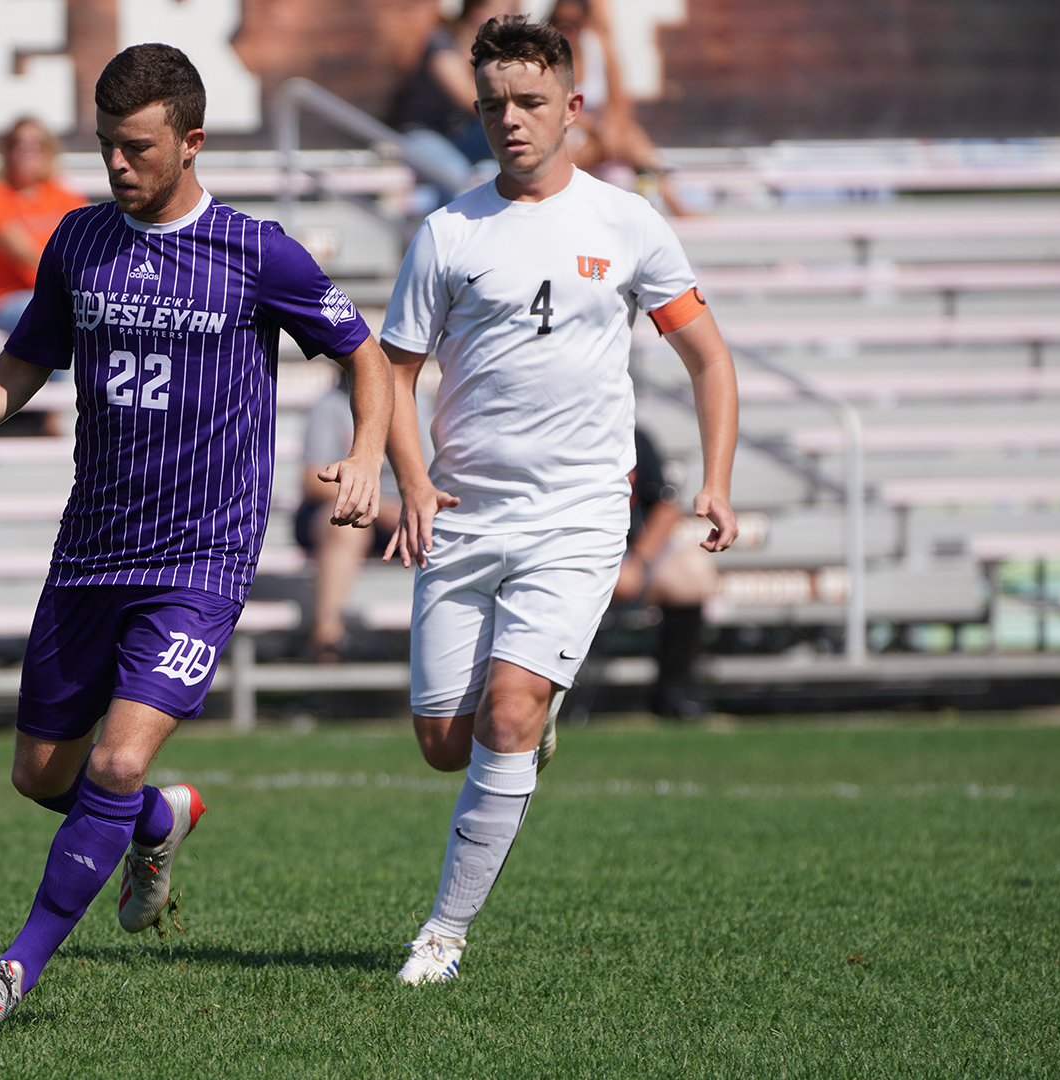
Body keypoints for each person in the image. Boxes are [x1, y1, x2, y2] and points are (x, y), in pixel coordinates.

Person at [0, 44, 393, 1032]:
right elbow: (19, 365)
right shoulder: (76, 243)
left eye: (139, 149)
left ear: (192, 143)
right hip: (93, 550)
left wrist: (367, 457)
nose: (118, 166)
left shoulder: (256, 251)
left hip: (201, 556)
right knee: (42, 776)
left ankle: (9, 976)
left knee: (112, 762)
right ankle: (160, 819)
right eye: (108, 146)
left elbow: (365, 355)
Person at [377, 15, 739, 984]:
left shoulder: (625, 223)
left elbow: (707, 357)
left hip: (578, 517)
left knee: (508, 710)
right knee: (442, 745)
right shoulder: (448, 231)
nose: (512, 120)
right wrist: (409, 481)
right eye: (494, 103)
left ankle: (443, 934)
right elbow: (394, 371)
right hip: (463, 515)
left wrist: (715, 477)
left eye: (531, 101)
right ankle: (520, 750)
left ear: (574, 107)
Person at [547, 0, 696, 216]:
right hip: (567, 132)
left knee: (631, 136)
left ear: (585, 23)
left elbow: (620, 102)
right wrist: (591, 124)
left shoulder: (597, 47)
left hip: (597, 133)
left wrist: (610, 130)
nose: (566, 29)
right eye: (560, 23)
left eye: (573, 23)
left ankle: (669, 198)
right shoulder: (546, 57)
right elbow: (548, 108)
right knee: (569, 152)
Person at [296, 371, 404, 662]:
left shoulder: (414, 403)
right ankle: (328, 639)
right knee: (347, 525)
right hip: (344, 511)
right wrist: (372, 502)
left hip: (399, 513)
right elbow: (314, 480)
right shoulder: (330, 405)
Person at [616, 428, 720, 718]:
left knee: (691, 574)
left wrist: (638, 563)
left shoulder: (631, 433)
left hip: (628, 556)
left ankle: (674, 690)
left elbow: (666, 506)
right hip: (567, 554)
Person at [389, 0, 520, 209]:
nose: (513, 21)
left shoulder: (498, 54)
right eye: (506, 12)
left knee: (510, 163)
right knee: (457, 176)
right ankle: (448, 237)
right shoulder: (442, 42)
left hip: (461, 138)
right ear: (478, 10)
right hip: (420, 133)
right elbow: (472, 100)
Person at [0, 118, 89, 334]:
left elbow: (87, 247)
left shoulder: (66, 196)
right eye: (19, 143)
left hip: (64, 293)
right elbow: (23, 253)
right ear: (7, 150)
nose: (28, 151)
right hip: (12, 298)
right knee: (53, 315)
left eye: (37, 144)